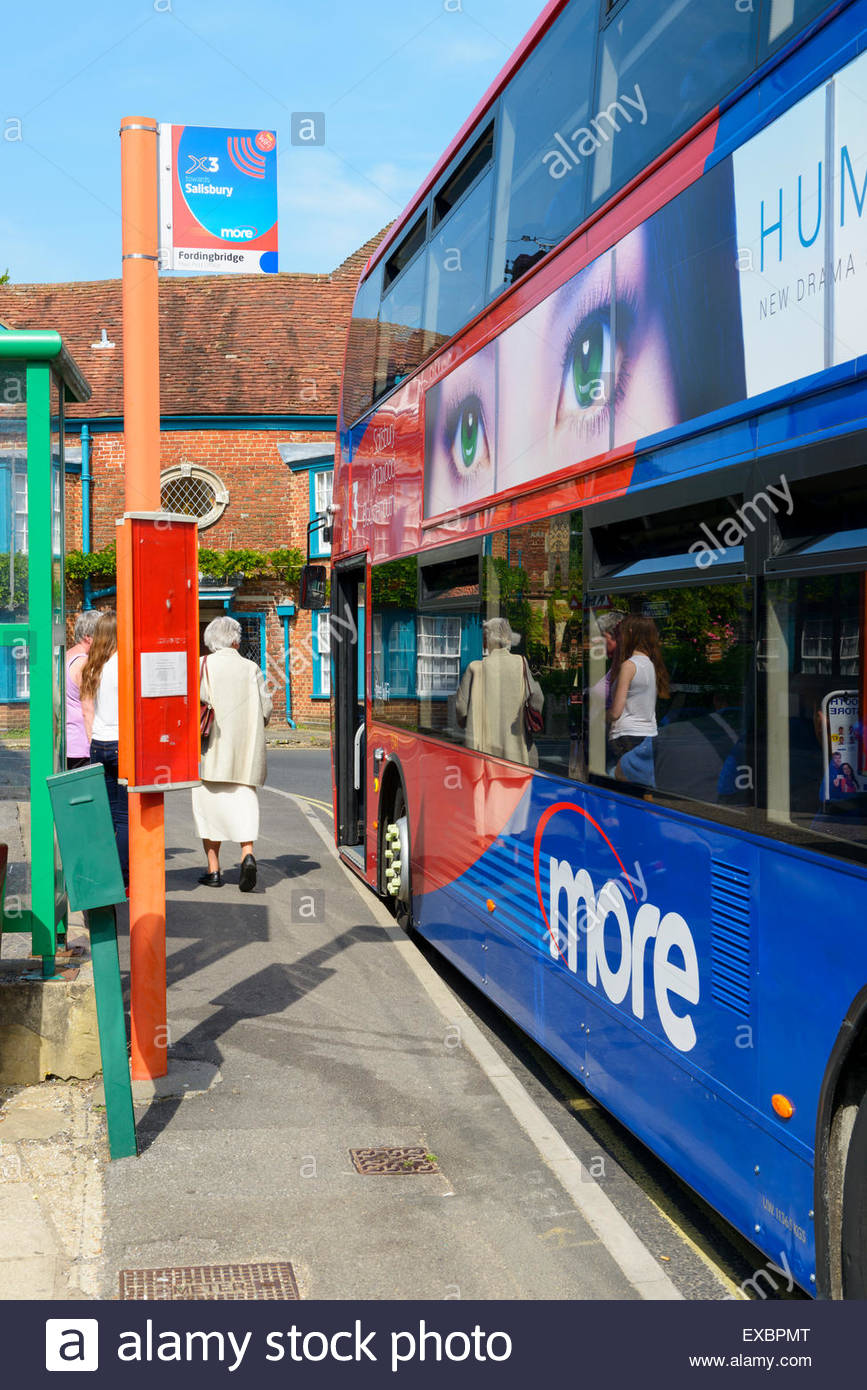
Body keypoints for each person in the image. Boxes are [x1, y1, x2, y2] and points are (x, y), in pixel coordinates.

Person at [193, 616, 272, 891]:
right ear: (236, 640)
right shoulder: (252, 668)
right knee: (243, 805)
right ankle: (246, 854)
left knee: (208, 810)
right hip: (245, 755)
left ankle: (213, 871)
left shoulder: (202, 665)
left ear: (210, 640)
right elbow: (266, 710)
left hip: (210, 753)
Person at [79, 611, 128, 889]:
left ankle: (102, 873)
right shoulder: (123, 663)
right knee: (125, 815)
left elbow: (88, 710)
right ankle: (122, 875)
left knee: (108, 813)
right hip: (122, 743)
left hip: (99, 744)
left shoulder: (94, 665)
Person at [456, 617, 543, 768]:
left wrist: (467, 723)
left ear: (489, 640)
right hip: (517, 754)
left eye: (484, 638)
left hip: (482, 757)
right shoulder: (521, 663)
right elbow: (537, 698)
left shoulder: (475, 668)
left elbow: (461, 709)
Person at [608, 615, 670, 786]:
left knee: (620, 791)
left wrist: (600, 715)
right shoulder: (650, 664)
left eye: (620, 634)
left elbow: (616, 712)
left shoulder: (629, 666)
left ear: (629, 633)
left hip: (625, 736)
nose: (618, 638)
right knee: (641, 789)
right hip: (648, 735)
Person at [66, 609, 99, 770]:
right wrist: (95, 747)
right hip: (82, 746)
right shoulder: (84, 664)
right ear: (88, 637)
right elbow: (88, 710)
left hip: (68, 742)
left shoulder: (67, 656)